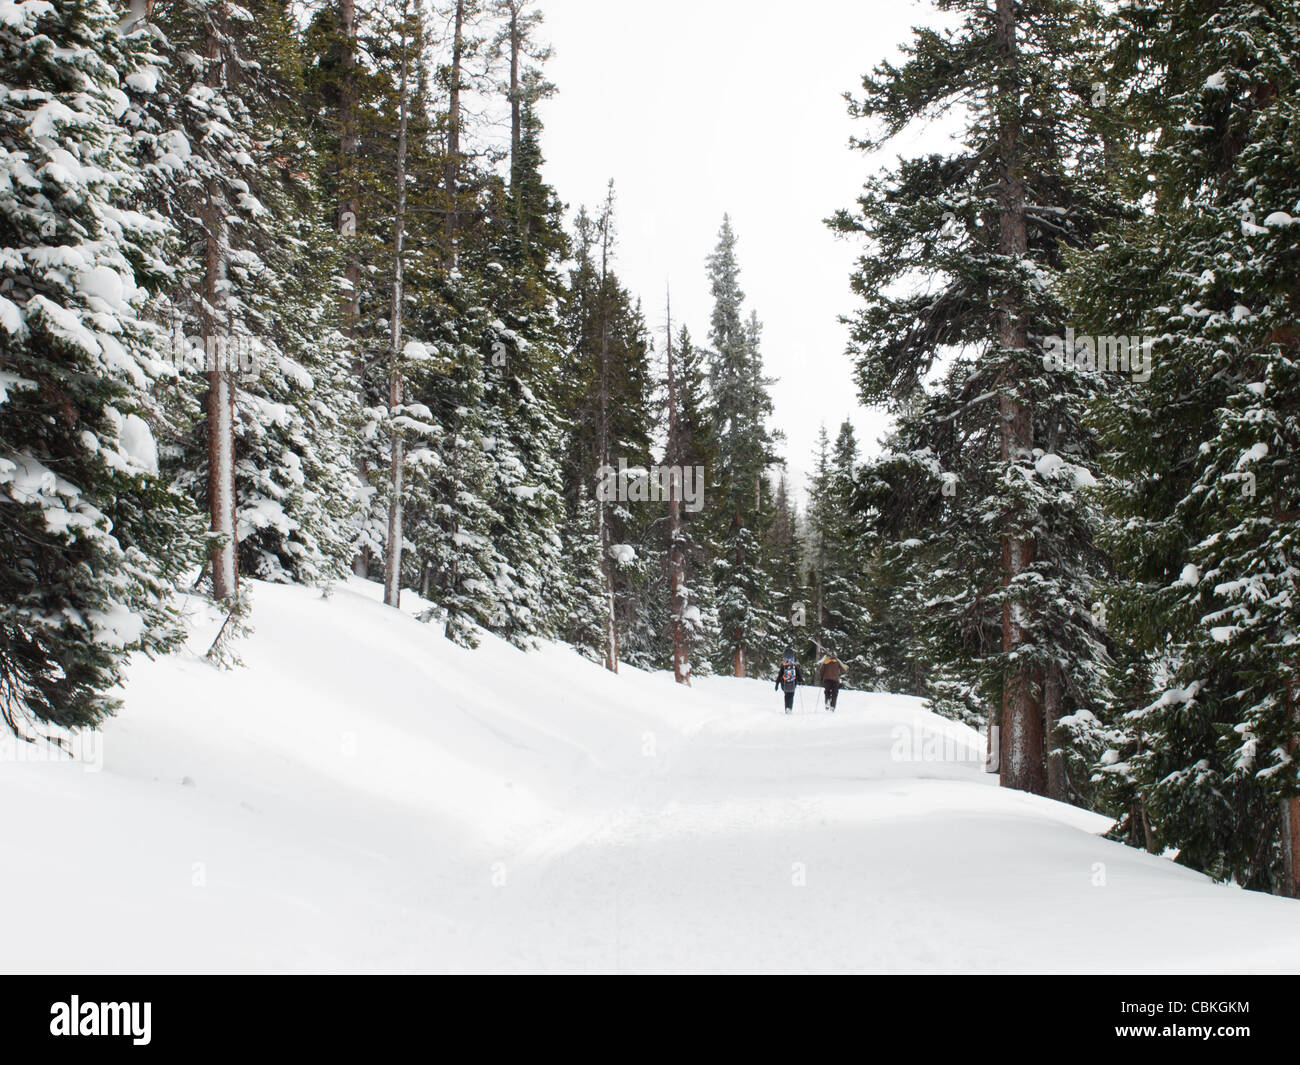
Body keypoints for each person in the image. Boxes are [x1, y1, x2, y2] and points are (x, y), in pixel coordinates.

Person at [774, 646, 805, 714]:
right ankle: (790, 708)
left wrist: (777, 684)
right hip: (793, 684)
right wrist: (801, 681)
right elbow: (799, 675)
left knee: (786, 696)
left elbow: (779, 676)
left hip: (784, 684)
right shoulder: (794, 666)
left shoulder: (783, 666)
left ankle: (786, 709)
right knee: (791, 696)